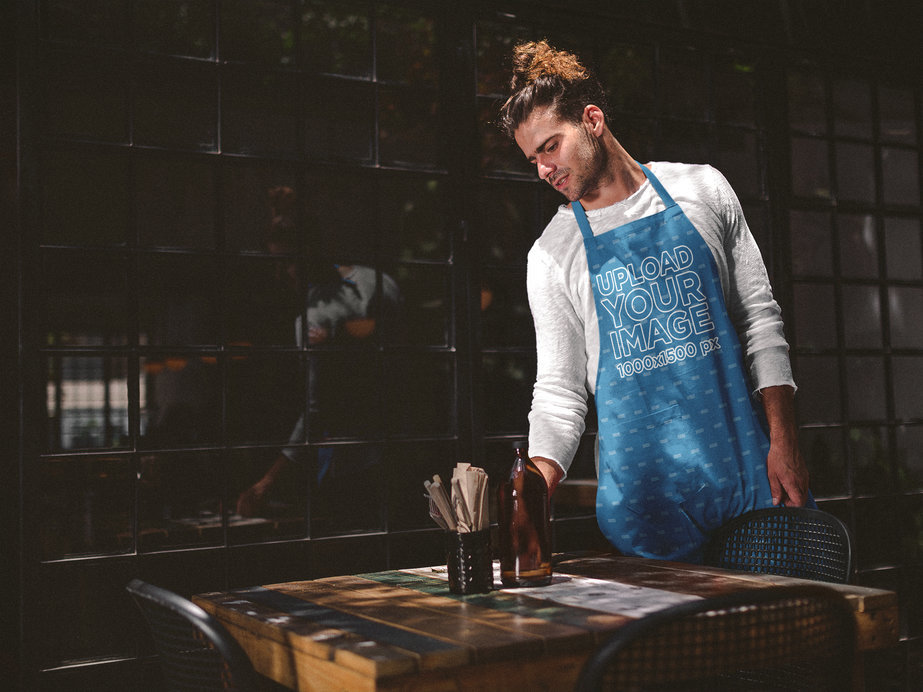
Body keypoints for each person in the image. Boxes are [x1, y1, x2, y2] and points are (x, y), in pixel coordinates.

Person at [498, 41, 812, 563]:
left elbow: (759, 319)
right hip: (647, 508)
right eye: (533, 159)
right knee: (679, 647)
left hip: (754, 480)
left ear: (592, 120)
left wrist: (786, 441)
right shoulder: (551, 254)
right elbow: (559, 391)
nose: (544, 170)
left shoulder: (702, 189)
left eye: (550, 147)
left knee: (785, 636)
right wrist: (533, 489)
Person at [236, 186, 402, 518]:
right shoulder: (379, 282)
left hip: (348, 466)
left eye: (286, 263)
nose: (282, 274)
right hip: (401, 455)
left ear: (306, 253)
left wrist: (268, 480)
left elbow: (316, 411)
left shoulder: (314, 316)